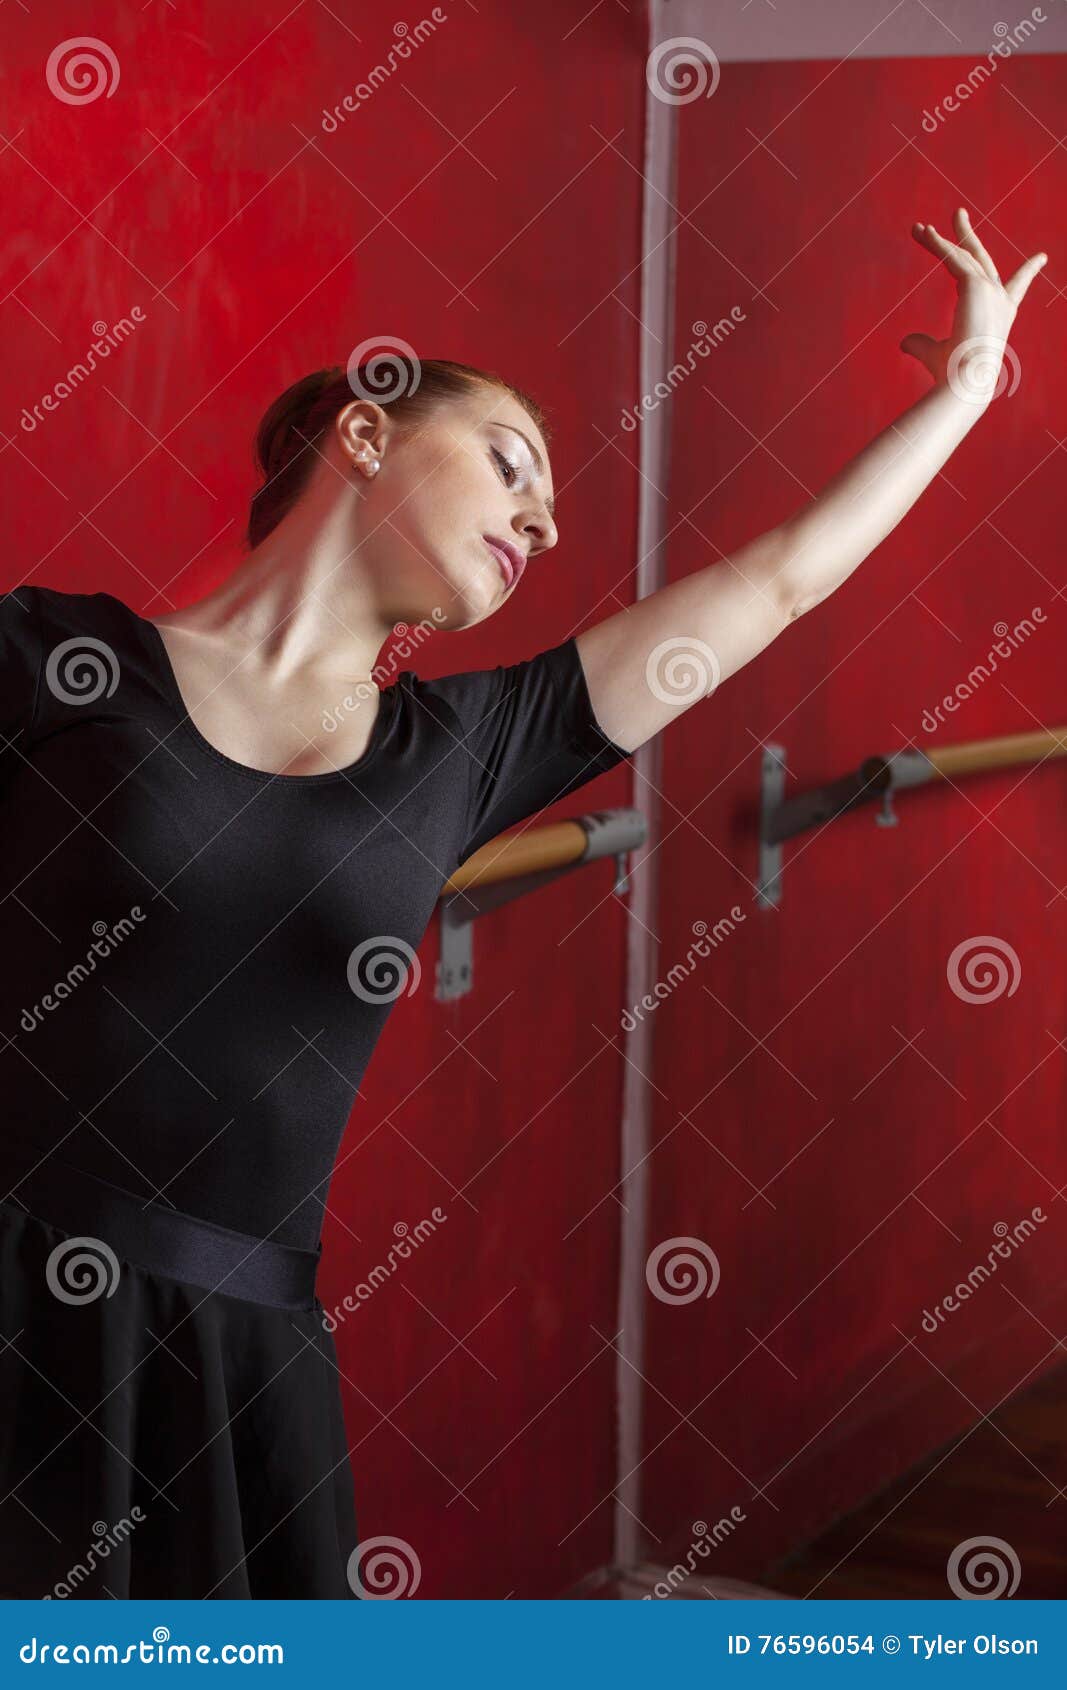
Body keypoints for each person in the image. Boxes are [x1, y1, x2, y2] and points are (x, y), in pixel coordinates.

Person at [0, 210, 1046, 1598]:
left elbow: (782, 579)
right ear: (365, 435)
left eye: (545, 506)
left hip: (244, 1366)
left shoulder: (464, 750)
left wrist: (966, 392)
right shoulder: (57, 659)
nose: (544, 520)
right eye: (510, 466)